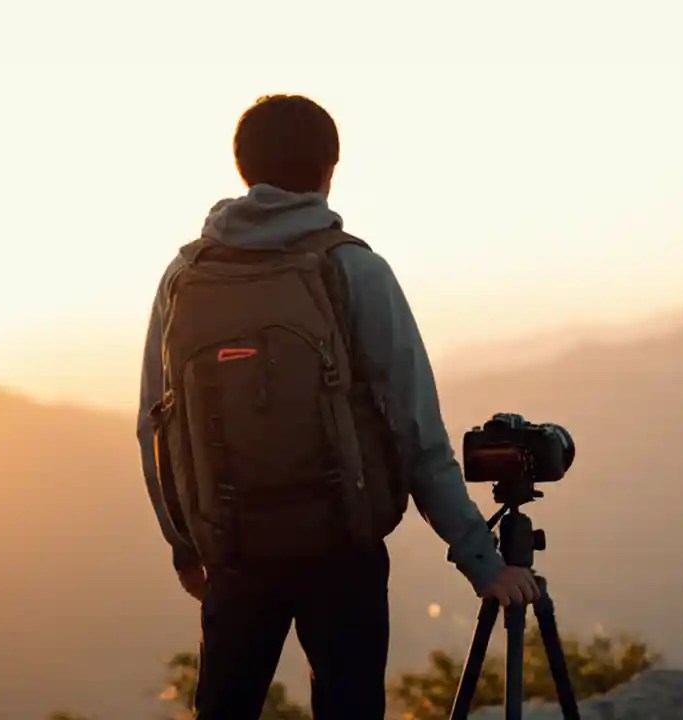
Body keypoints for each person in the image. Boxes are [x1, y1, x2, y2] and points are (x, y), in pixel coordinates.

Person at [136, 94, 537, 719]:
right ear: (331, 168)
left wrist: (187, 544)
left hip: (235, 550)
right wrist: (484, 564)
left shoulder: (185, 276)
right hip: (341, 551)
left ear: (243, 168)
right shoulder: (352, 269)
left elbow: (155, 427)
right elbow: (416, 435)